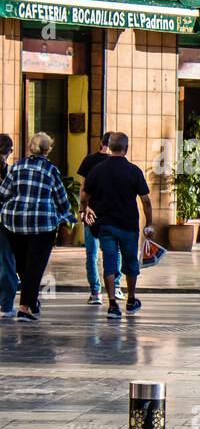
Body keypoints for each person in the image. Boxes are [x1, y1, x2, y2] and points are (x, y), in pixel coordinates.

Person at [0, 133, 74, 322]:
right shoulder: (51, 170)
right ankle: (24, 308)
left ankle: (32, 302)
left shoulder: (17, 166)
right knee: (35, 265)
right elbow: (61, 199)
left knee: (23, 265)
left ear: (30, 148)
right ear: (47, 149)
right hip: (42, 225)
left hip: (14, 223)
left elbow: (3, 192)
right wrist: (68, 215)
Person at [82, 132, 153, 320]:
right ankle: (131, 300)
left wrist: (84, 211)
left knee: (109, 263)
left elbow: (84, 195)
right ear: (126, 148)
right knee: (130, 263)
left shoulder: (97, 170)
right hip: (129, 226)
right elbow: (146, 200)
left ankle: (112, 304)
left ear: (109, 147)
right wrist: (150, 224)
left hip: (105, 226)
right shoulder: (134, 170)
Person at [77, 131, 119, 305]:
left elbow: (83, 187)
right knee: (114, 252)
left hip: (91, 212)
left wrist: (82, 209)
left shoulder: (89, 161)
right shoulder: (118, 163)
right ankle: (115, 287)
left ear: (100, 142)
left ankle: (95, 292)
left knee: (91, 254)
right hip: (111, 214)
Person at [0, 135, 18, 319]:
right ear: (9, 151)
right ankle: (5, 305)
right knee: (6, 263)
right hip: (6, 223)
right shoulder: (12, 173)